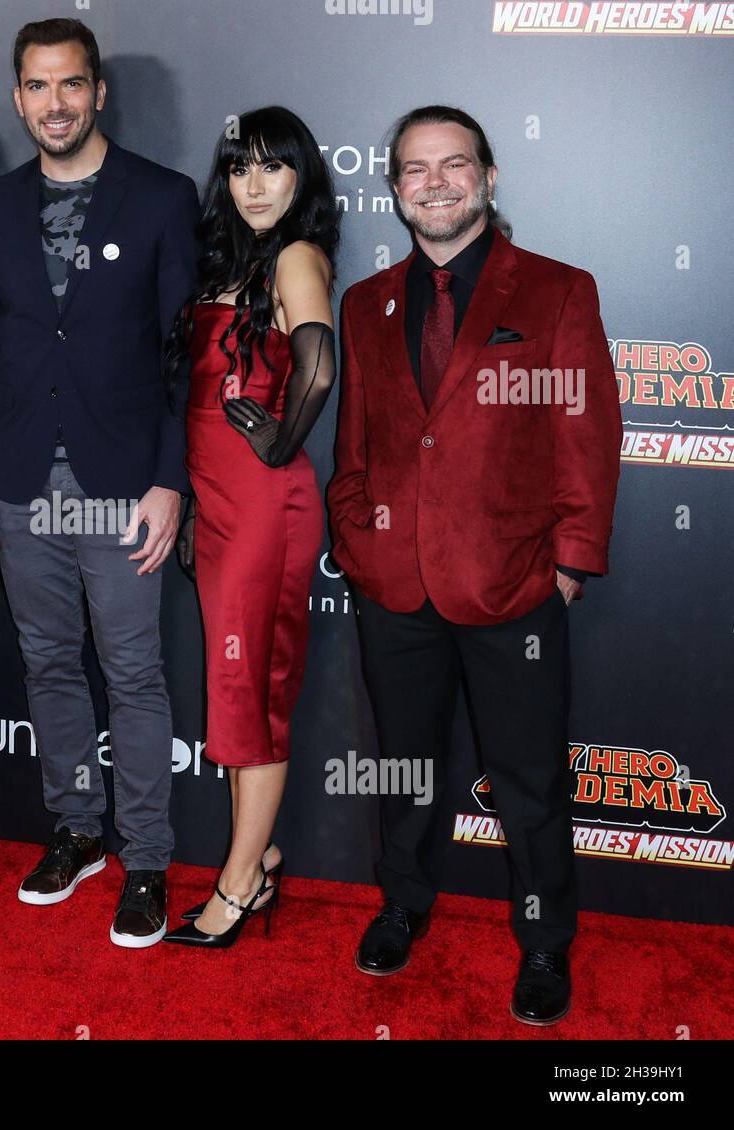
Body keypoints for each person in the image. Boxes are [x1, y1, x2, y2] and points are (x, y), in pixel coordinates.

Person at [328, 106, 622, 1023]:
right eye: (416, 169)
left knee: (529, 779)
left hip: (513, 583)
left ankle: (542, 941)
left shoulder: (556, 291)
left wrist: (569, 565)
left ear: (489, 177)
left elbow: (585, 433)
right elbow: (358, 446)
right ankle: (403, 904)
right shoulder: (366, 302)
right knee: (404, 769)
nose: (437, 182)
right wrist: (357, 540)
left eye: (455, 164)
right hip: (394, 583)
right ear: (396, 188)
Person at [0, 18, 199, 948]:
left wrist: (171, 482)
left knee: (133, 674)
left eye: (72, 85)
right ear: (18, 97)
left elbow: (185, 358)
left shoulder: (163, 199)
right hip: (16, 482)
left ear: (98, 92)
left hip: (123, 486)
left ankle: (144, 861)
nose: (55, 103)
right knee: (48, 663)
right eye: (38, 87)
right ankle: (75, 831)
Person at [161, 107, 339, 948]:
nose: (255, 185)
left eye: (273, 167)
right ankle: (254, 862)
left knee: (252, 695)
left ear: (302, 178)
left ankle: (237, 885)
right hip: (219, 505)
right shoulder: (228, 262)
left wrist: (278, 439)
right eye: (240, 168)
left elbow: (318, 361)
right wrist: (197, 502)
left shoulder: (298, 256)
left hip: (266, 507)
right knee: (235, 698)